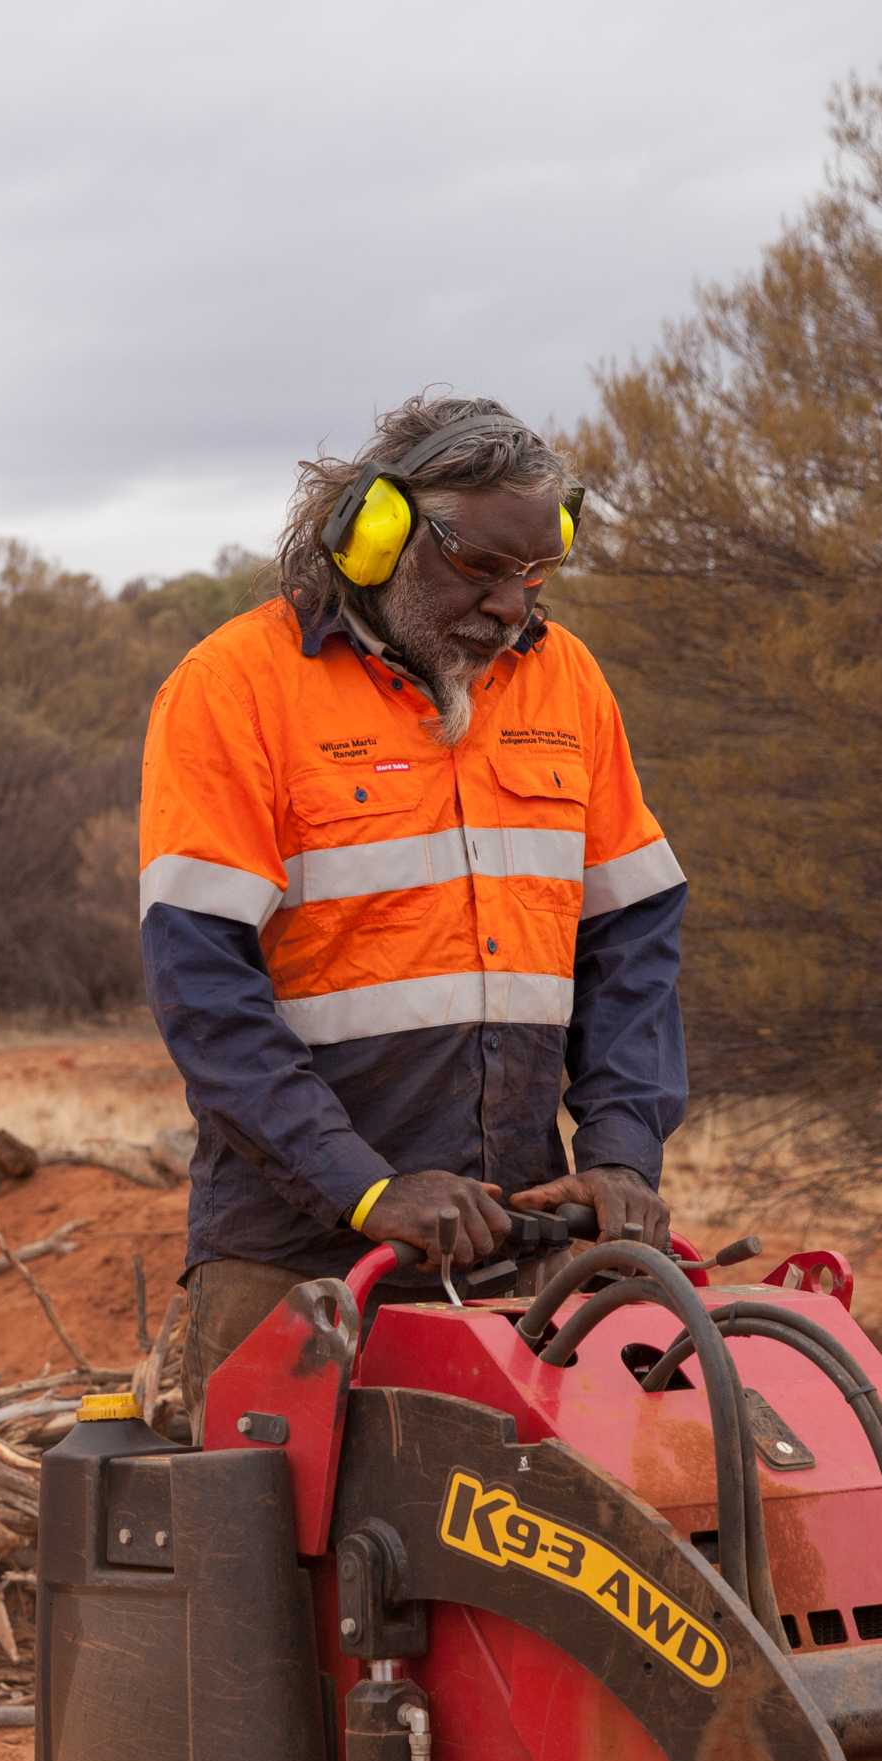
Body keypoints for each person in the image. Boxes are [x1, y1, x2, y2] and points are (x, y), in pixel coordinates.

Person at [137, 395, 688, 1417]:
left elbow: (633, 943)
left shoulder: (569, 684)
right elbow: (205, 993)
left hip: (520, 1259)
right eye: (478, 569)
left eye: (533, 575)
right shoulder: (233, 688)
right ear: (373, 533)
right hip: (295, 1270)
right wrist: (367, 1185)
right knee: (274, 1564)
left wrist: (620, 1152)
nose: (510, 606)